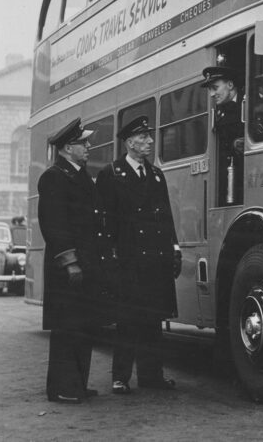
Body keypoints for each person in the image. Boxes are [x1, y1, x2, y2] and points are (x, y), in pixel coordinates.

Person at [96, 116, 181, 395]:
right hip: (128, 260)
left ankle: (151, 375)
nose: (150, 142)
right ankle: (120, 377)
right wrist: (108, 258)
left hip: (155, 260)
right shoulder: (112, 173)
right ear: (130, 142)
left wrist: (175, 248)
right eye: (144, 138)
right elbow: (105, 221)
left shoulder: (156, 175)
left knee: (153, 321)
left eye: (149, 137)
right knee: (127, 321)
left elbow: (166, 217)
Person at [37, 118, 117, 404]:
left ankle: (78, 384)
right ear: (68, 147)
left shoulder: (80, 175)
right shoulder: (54, 176)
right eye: (84, 143)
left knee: (84, 326)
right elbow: (55, 225)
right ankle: (62, 388)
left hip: (87, 265)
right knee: (67, 328)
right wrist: (70, 261)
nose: (88, 147)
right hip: (68, 268)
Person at [201, 65, 244, 204]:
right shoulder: (219, 112)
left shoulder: (249, 102)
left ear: (230, 85)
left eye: (215, 88)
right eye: (210, 90)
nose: (212, 94)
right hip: (230, 175)